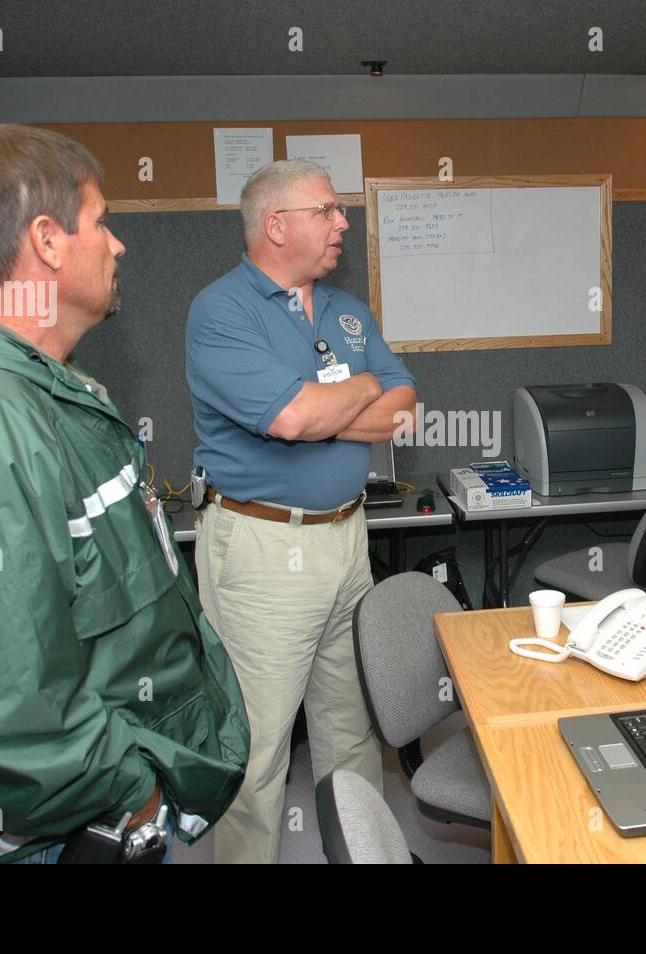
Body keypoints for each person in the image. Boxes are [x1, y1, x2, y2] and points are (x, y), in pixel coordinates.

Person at [0, 124, 250, 863]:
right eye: (101, 223)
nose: (118, 245)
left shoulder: (38, 386)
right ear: (48, 241)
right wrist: (135, 792)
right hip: (73, 827)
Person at [187, 159, 417, 864]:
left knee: (350, 734)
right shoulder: (221, 311)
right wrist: (349, 394)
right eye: (327, 210)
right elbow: (290, 418)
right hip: (261, 550)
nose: (343, 222)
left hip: (347, 539)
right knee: (258, 753)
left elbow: (403, 409)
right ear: (276, 224)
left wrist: (331, 408)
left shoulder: (348, 311)